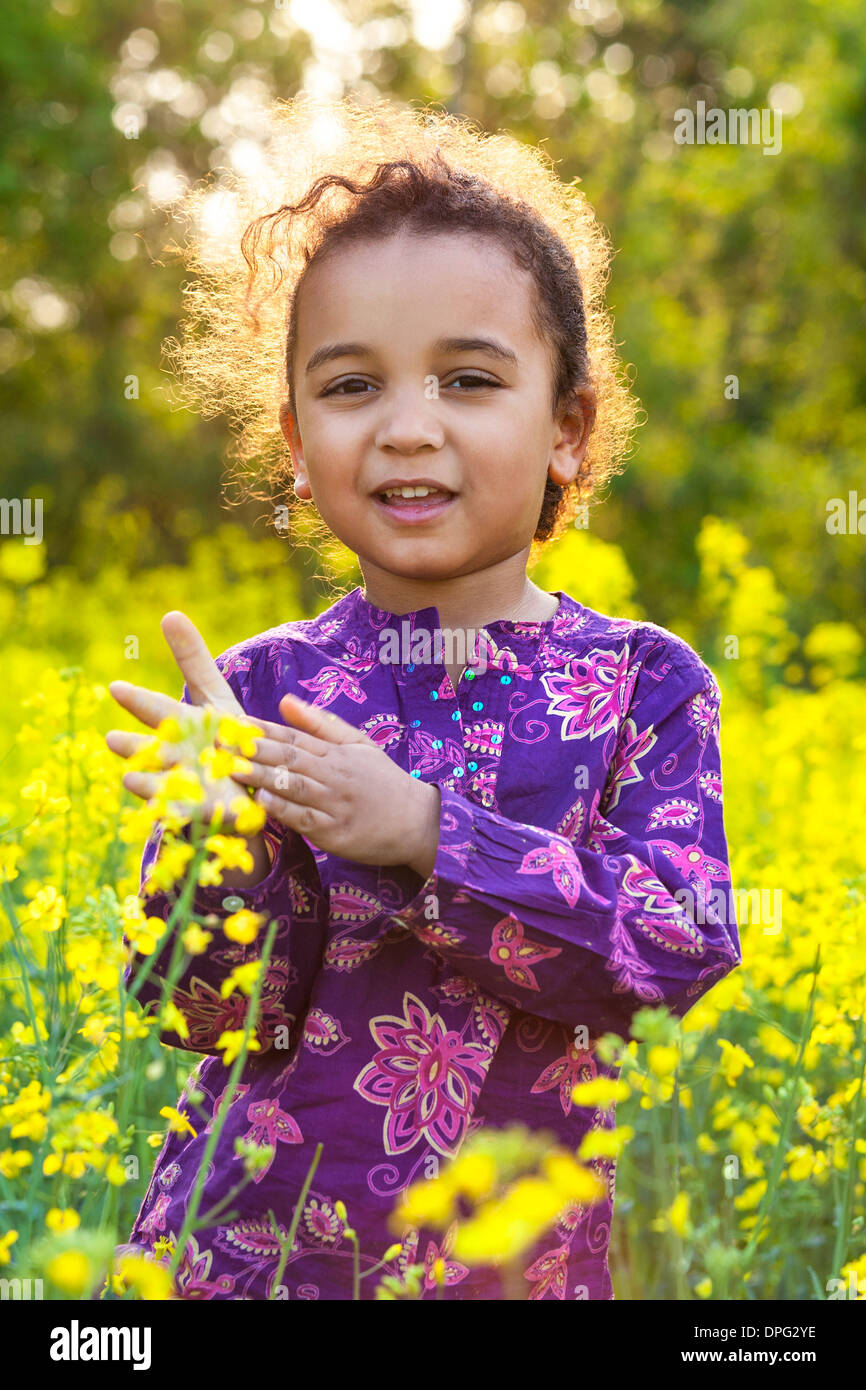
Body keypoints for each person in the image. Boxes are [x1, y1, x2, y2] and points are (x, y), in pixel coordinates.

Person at [106, 95, 741, 1300]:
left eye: (465, 380)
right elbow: (195, 1015)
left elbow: (673, 951)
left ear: (567, 428)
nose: (407, 429)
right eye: (351, 389)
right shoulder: (257, 690)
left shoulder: (643, 688)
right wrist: (211, 840)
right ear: (294, 440)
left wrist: (424, 834)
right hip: (242, 1266)